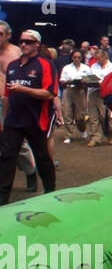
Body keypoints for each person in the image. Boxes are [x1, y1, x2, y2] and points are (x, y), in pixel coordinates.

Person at [0, 29, 58, 203]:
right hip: (13, 120)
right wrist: (4, 121)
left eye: (28, 41)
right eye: (22, 41)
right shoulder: (13, 66)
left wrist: (23, 89)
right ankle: (2, 198)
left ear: (37, 44)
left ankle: (50, 191)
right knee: (6, 156)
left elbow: (49, 93)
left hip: (35, 119)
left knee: (42, 157)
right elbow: (6, 96)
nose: (24, 44)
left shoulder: (45, 65)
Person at [0, 22, 40, 192]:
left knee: (17, 144)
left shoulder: (16, 53)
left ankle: (30, 172)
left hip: (12, 104)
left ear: (8, 35)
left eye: (0, 33)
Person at [58, 50, 91, 143]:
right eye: (74, 57)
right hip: (68, 91)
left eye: (79, 57)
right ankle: (69, 135)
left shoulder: (86, 68)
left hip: (80, 91)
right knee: (67, 113)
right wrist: (67, 81)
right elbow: (62, 79)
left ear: (82, 58)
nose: (76, 59)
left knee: (81, 116)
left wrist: (85, 82)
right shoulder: (67, 68)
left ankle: (82, 129)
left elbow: (91, 79)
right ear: (71, 58)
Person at [86, 48, 112, 145]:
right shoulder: (94, 66)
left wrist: (102, 83)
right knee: (93, 116)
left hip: (105, 93)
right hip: (93, 92)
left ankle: (109, 133)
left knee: (104, 116)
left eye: (99, 59)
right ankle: (94, 138)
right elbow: (90, 77)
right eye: (96, 59)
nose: (97, 61)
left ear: (104, 57)